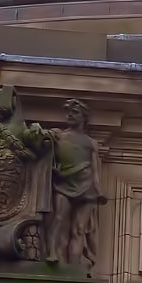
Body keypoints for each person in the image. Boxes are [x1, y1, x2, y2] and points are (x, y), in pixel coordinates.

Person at [50, 98, 102, 269]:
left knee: (79, 229)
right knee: (59, 219)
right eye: (68, 112)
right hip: (63, 183)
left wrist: (98, 191)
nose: (70, 115)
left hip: (86, 185)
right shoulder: (58, 136)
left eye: (75, 112)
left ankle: (73, 266)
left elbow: (95, 168)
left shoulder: (91, 142)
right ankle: (53, 254)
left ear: (84, 117)